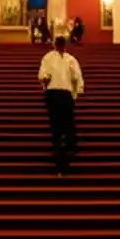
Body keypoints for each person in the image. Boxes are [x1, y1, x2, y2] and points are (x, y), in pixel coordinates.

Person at [38, 35, 84, 174]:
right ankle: (61, 147)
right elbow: (42, 74)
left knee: (64, 122)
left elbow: (77, 76)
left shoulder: (70, 59)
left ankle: (65, 146)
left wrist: (76, 92)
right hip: (55, 93)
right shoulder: (49, 58)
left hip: (64, 93)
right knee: (58, 123)